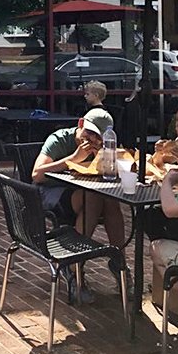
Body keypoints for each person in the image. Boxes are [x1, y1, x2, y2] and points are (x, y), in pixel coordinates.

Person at [32, 107, 126, 304]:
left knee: (108, 199)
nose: (90, 139)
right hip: (50, 193)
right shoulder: (59, 139)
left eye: (97, 137)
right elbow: (36, 174)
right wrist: (72, 160)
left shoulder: (104, 148)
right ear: (81, 124)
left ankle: (119, 263)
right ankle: (76, 267)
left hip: (85, 194)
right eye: (89, 132)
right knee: (93, 198)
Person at [150, 105, 178, 317]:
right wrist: (161, 153)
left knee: (154, 242)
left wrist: (167, 181)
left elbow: (170, 209)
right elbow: (159, 162)